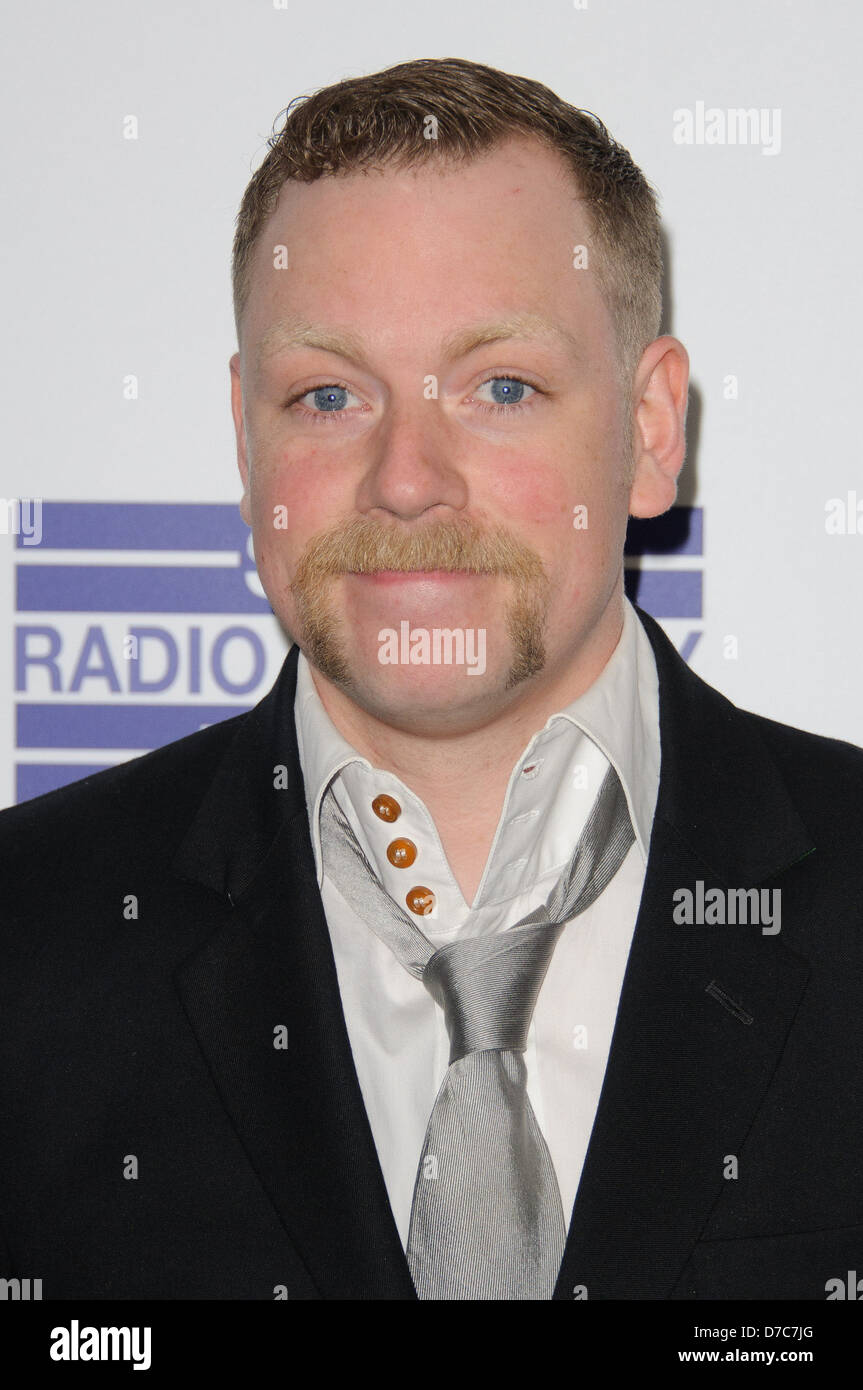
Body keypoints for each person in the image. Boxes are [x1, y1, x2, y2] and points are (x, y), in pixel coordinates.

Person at [1, 56, 861, 1302]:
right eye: (329, 394)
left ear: (650, 428)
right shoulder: (28, 943)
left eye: (499, 386)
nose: (406, 478)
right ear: (248, 442)